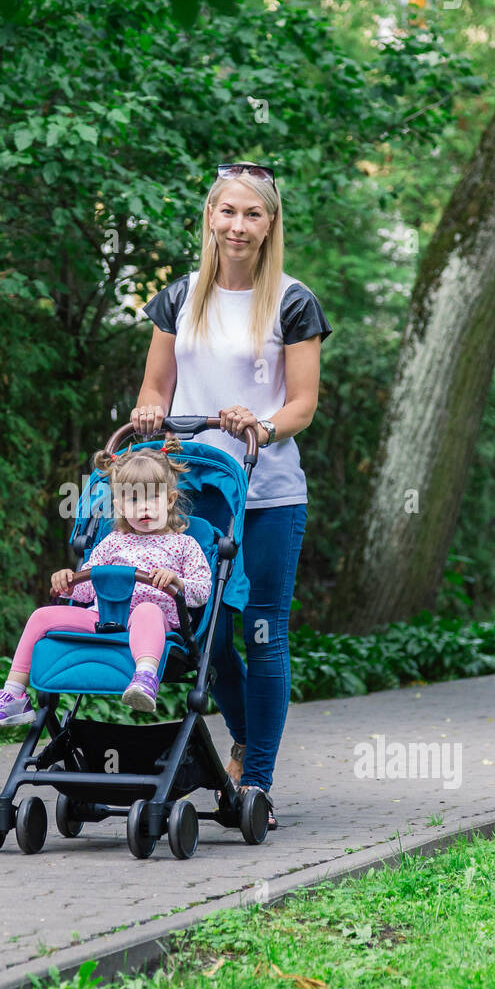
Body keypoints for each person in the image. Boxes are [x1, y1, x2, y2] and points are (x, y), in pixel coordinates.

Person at [130, 161, 332, 831]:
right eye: (228, 212)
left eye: (252, 214)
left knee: (265, 631)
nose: (238, 225)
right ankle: (242, 741)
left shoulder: (293, 302)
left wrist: (264, 425)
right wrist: (152, 414)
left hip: (269, 494)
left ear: (270, 224)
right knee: (204, 633)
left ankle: (258, 782)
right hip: (194, 495)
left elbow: (302, 403)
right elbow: (154, 390)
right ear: (210, 219)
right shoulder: (179, 298)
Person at [0, 440, 212, 729]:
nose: (144, 507)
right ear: (120, 504)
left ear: (171, 500)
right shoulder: (112, 542)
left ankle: (145, 677)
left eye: (153, 498)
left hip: (153, 622)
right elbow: (87, 590)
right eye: (133, 500)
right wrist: (69, 583)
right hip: (103, 617)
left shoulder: (184, 545)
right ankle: (13, 694)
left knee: (146, 609)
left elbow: (202, 592)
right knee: (41, 616)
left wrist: (178, 582)